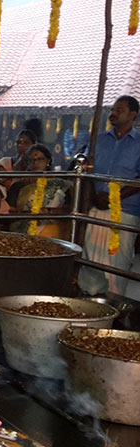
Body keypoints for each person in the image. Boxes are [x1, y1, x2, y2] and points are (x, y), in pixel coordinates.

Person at [79, 95, 140, 296]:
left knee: (117, 263)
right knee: (91, 263)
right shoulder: (99, 139)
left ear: (133, 115)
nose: (113, 114)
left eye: (119, 110)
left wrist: (115, 198)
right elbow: (86, 169)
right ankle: (89, 302)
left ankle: (114, 307)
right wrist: (96, 196)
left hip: (125, 211)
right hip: (96, 206)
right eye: (113, 109)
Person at [8, 144, 70, 238]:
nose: (35, 163)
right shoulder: (19, 186)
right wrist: (29, 214)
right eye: (31, 160)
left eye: (40, 159)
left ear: (48, 161)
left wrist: (49, 212)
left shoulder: (60, 185)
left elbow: (68, 209)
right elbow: (10, 211)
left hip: (51, 233)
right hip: (22, 233)